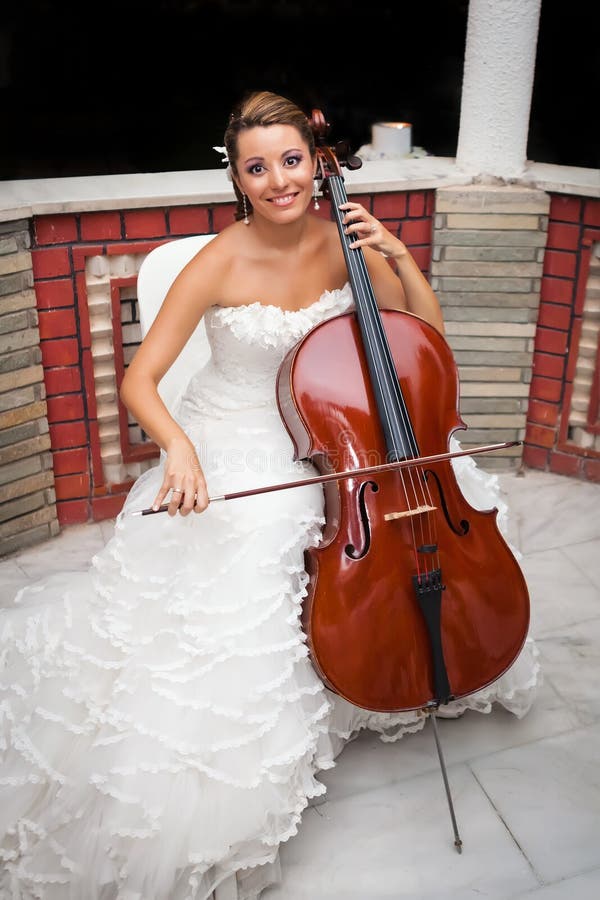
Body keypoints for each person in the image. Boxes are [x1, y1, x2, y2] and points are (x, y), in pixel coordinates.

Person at [0, 90, 539, 899]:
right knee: (259, 547)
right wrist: (178, 448)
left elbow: (420, 339)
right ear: (239, 179)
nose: (280, 179)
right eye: (259, 167)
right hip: (243, 432)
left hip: (340, 428)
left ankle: (383, 669)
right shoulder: (218, 260)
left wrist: (395, 254)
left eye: (293, 160)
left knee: (434, 491)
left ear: (316, 165)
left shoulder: (342, 240)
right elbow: (142, 382)